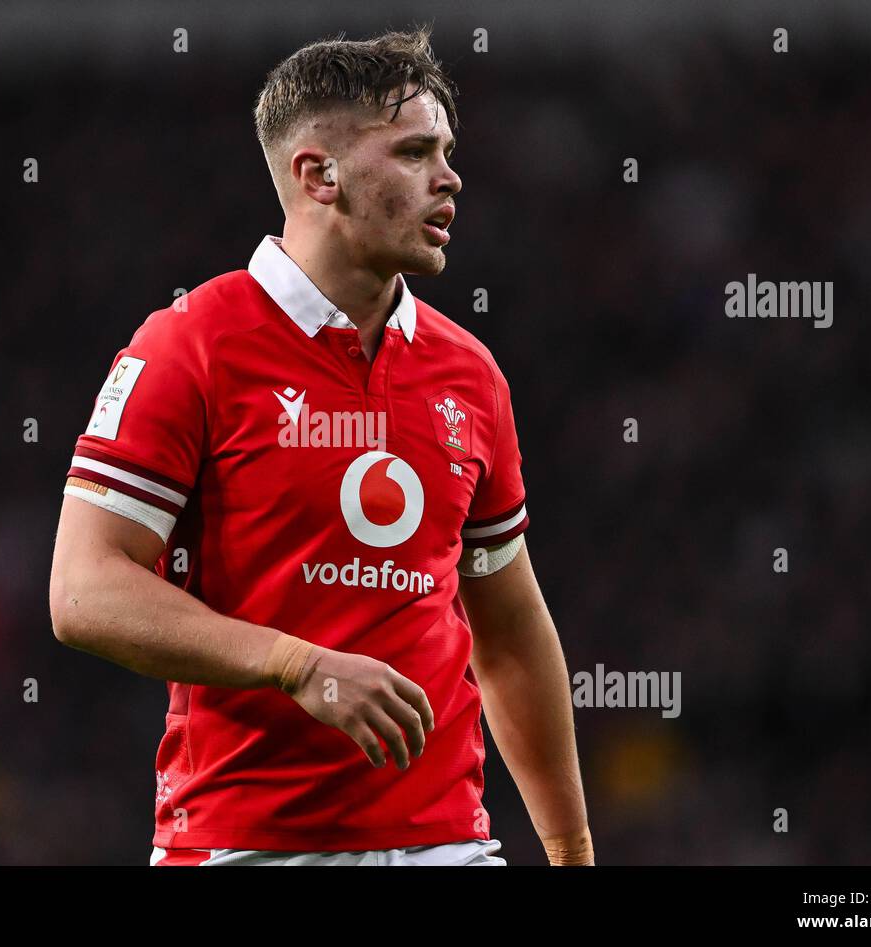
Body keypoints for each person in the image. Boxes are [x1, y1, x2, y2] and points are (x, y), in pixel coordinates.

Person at [48, 26, 592, 866]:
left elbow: (510, 630)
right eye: (414, 152)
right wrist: (296, 665)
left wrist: (570, 850)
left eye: (447, 151)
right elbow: (84, 591)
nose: (449, 178)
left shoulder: (470, 375)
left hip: (446, 844)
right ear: (319, 174)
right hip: (245, 845)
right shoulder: (190, 344)